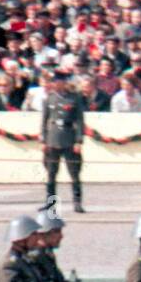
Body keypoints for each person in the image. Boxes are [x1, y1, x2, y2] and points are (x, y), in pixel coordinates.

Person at [42, 70, 86, 213]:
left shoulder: (75, 98)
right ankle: (50, 203)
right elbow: (44, 121)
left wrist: (79, 140)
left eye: (61, 81)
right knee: (51, 173)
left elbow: (80, 120)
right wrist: (43, 140)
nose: (58, 84)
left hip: (69, 137)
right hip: (53, 138)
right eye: (55, 82)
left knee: (74, 172)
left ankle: (77, 202)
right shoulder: (49, 99)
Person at [28, 206, 79, 282]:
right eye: (56, 232)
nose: (61, 236)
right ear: (42, 234)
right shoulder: (34, 258)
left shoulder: (47, 255)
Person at [0, 215, 44, 282]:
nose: (38, 238)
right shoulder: (8, 267)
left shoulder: (26, 260)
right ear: (21, 239)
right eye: (34, 234)